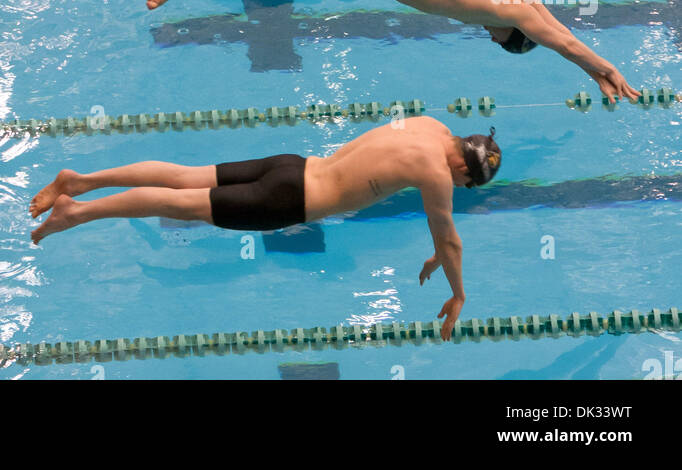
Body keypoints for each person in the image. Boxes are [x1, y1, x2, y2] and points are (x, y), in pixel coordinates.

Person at [31, 115, 499, 338]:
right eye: (465, 181)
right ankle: (77, 211)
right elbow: (450, 236)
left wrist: (439, 247)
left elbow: (441, 232)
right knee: (184, 205)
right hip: (288, 200)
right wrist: (458, 294)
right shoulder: (436, 171)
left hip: (292, 166)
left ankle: (81, 180)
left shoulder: (432, 127)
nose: (458, 185)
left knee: (181, 175)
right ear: (462, 167)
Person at [144, 0, 639, 102]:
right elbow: (562, 40)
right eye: (500, 40)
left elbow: (552, 22)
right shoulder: (509, 9)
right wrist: (603, 71)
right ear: (516, 32)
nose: (490, 36)